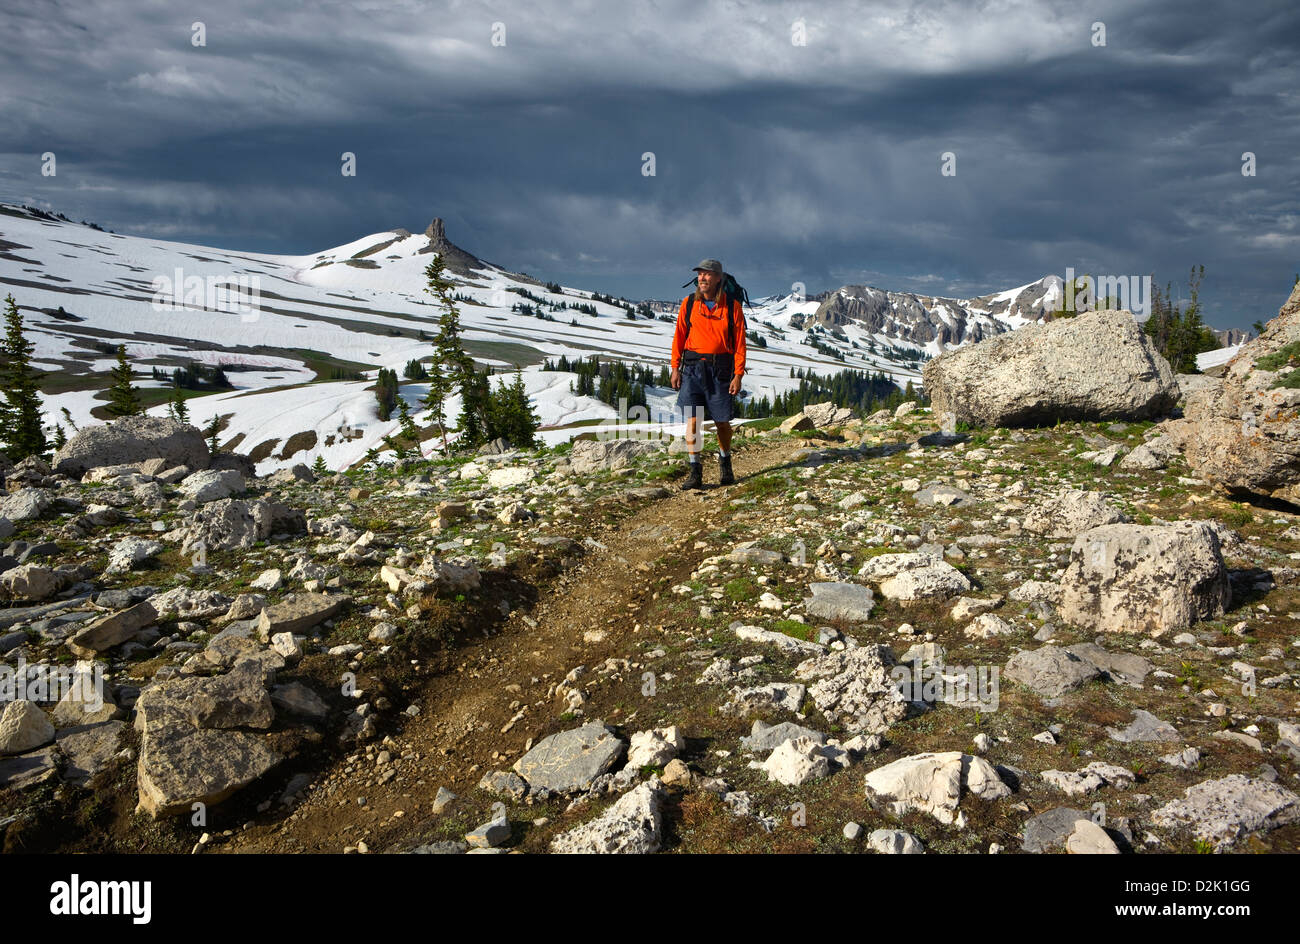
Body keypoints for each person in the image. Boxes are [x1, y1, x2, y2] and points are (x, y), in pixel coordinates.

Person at [670, 258, 747, 489]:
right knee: (693, 420)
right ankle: (695, 472)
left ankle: (725, 463)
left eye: (708, 274)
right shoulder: (689, 304)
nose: (702, 278)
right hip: (692, 369)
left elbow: (740, 343)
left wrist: (738, 374)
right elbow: (679, 337)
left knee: (722, 422)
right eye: (700, 274)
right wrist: (675, 368)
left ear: (718, 278)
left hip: (721, 370)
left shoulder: (732, 306)